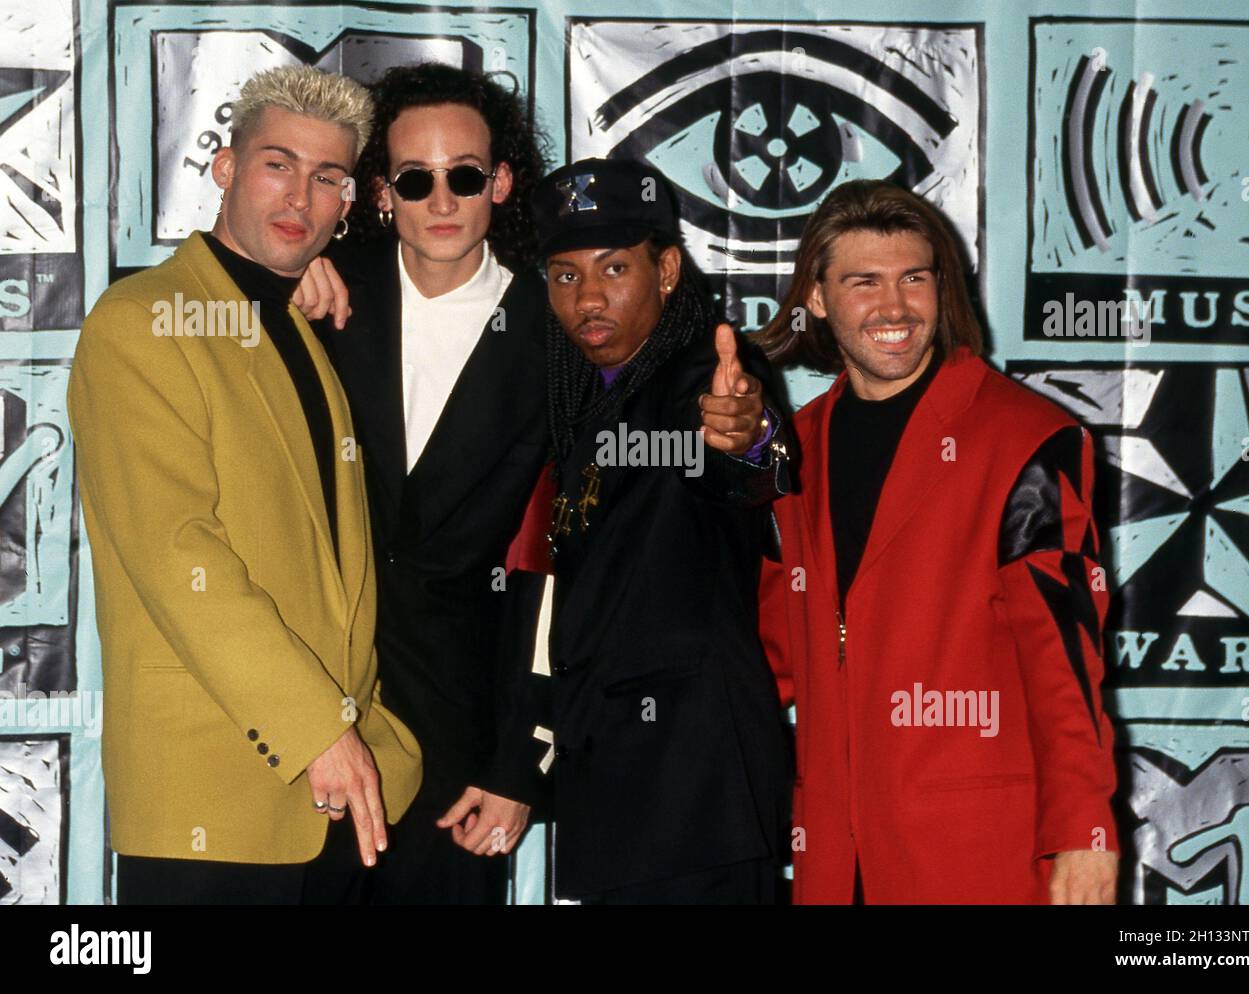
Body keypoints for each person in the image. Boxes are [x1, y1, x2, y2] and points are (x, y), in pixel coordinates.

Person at [67, 66, 421, 904]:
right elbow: (176, 557)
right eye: (276, 163)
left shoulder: (295, 322)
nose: (300, 194)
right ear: (222, 168)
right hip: (217, 802)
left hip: (338, 797)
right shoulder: (142, 321)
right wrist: (315, 734)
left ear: (348, 201)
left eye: (327, 176)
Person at [755, 179, 1119, 904]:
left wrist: (1084, 834)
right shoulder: (792, 452)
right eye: (864, 283)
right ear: (818, 300)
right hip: (832, 857)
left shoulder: (1024, 438)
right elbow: (772, 655)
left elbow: (1064, 665)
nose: (895, 308)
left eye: (914, 279)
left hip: (975, 854)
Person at [301, 63, 552, 904]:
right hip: (311, 712)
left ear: (503, 182)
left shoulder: (557, 331)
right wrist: (281, 275)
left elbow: (563, 562)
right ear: (382, 192)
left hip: (464, 736)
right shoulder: (321, 301)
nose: (441, 201)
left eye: (466, 176)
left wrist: (521, 757)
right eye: (416, 178)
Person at [530, 157, 793, 904]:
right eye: (564, 275)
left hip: (695, 795)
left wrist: (744, 433)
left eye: (614, 267)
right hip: (613, 789)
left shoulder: (694, 380)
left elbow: (745, 455)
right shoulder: (581, 397)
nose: (588, 297)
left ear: (668, 269)